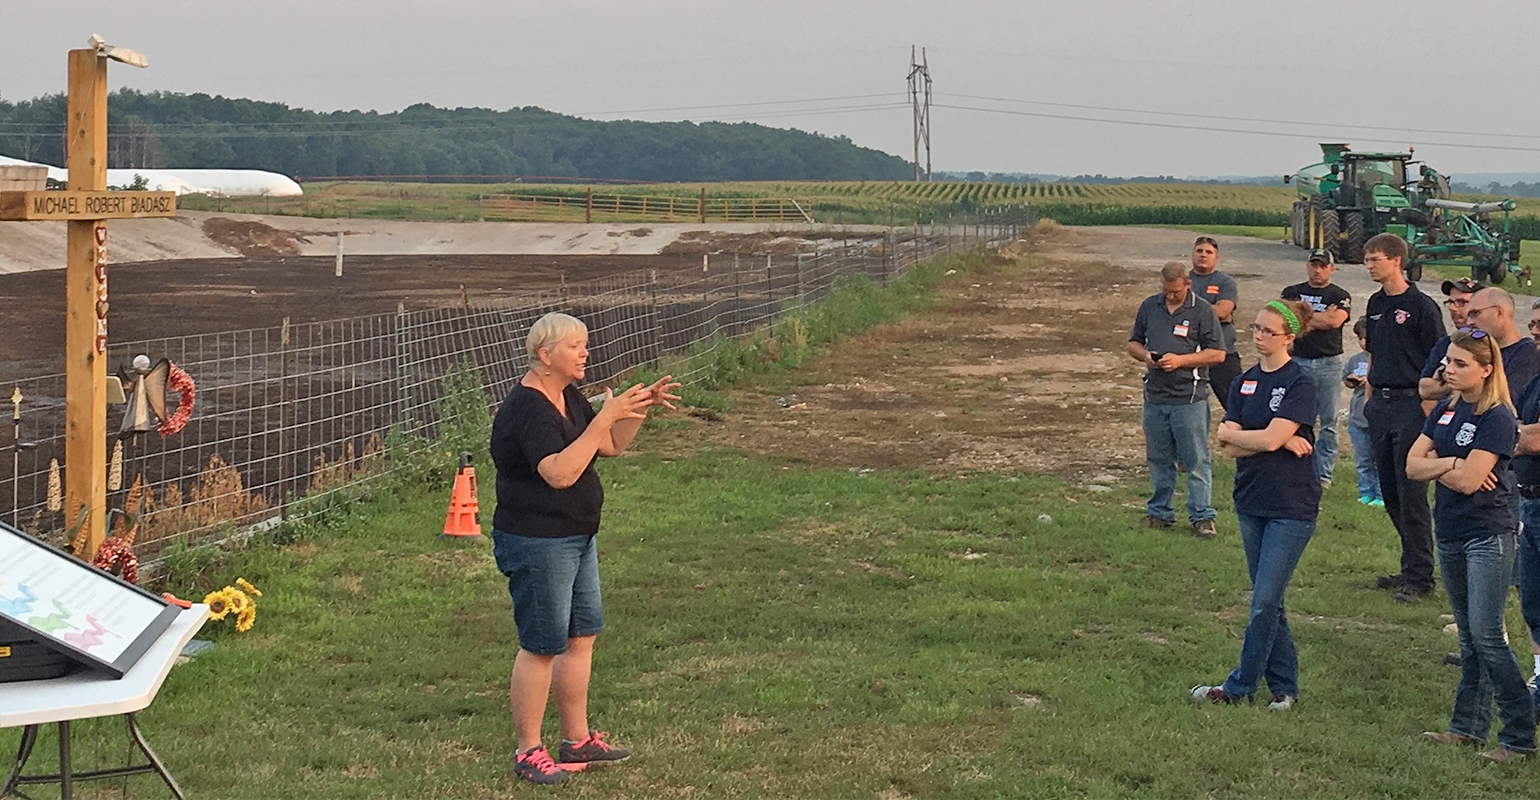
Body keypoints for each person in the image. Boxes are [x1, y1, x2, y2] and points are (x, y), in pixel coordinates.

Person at [490, 312, 681, 784]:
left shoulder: (568, 395)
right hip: (538, 541)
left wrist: (633, 411)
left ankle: (576, 740)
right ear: (545, 355)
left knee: (581, 637)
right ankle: (528, 751)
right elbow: (559, 473)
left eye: (585, 344)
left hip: (576, 536)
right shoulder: (528, 408)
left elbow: (609, 445)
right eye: (575, 346)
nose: (585, 353)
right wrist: (605, 418)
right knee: (542, 645)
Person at [1408, 330, 1536, 762]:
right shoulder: (1447, 408)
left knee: (1487, 635)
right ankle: (1467, 728)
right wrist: (1451, 462)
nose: (1448, 369)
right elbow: (1412, 465)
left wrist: (1441, 467)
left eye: (1460, 364)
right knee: (1469, 638)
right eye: (1448, 361)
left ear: (1486, 370)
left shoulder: (1497, 417)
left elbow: (1469, 482)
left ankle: (1519, 734)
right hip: (1450, 531)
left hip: (1488, 534)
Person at [1191, 299, 1321, 709]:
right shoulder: (1243, 382)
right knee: (1270, 601)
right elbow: (1227, 444)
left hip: (1291, 505)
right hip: (1251, 499)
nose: (1259, 336)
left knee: (1264, 601)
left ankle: (1238, 687)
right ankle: (1285, 687)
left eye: (1268, 331)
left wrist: (1265, 438)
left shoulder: (1300, 383)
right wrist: (1272, 439)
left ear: (1289, 338)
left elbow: (1261, 438)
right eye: (1257, 328)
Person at [1363, 233, 1447, 603]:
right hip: (1380, 405)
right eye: (1367, 260)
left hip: (1411, 403)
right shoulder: (1375, 303)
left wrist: (1430, 405)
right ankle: (1411, 562)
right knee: (1390, 492)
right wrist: (1368, 399)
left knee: (1411, 492)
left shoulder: (1421, 306)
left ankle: (1420, 576)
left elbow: (1440, 358)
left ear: (1396, 260)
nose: (1369, 266)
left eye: (1376, 259)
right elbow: (1374, 354)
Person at [1127, 261, 1226, 538]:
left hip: (1189, 398)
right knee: (1159, 458)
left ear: (1188, 284)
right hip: (1155, 396)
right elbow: (1133, 342)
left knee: (1196, 460)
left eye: (1175, 291)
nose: (1170, 296)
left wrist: (1182, 361)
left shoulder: (1202, 310)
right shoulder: (1150, 306)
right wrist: (1146, 356)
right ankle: (1159, 512)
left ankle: (1202, 516)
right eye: (1166, 291)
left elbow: (1218, 353)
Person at [1281, 249, 1352, 487]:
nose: (1317, 270)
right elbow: (1285, 320)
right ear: (1307, 266)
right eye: (1314, 265)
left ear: (1332, 268)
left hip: (1328, 363)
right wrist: (1318, 318)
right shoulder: (1291, 292)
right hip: (1296, 361)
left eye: (1323, 266)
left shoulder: (1339, 295)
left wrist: (1302, 318)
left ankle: (1323, 474)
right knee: (1293, 417)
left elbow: (1334, 321)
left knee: (1328, 420)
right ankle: (1295, 467)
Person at [1188, 236, 1242, 413]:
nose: (1203, 255)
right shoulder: (1183, 281)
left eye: (1209, 252)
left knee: (1237, 404)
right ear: (1192, 255)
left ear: (1216, 258)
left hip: (1222, 350)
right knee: (1189, 405)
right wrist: (1211, 311)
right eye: (1199, 251)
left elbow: (1223, 311)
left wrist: (1189, 310)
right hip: (1189, 353)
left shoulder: (1225, 282)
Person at [1417, 277, 1482, 407]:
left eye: (1461, 302)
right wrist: (1466, 381)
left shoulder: (1488, 344)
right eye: (1451, 302)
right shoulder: (1445, 344)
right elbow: (1425, 389)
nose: (1452, 308)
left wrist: (1445, 380)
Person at [1343, 317, 1383, 507]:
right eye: (1360, 338)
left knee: (1379, 460)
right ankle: (1366, 493)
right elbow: (1345, 379)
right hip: (1357, 419)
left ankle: (1381, 495)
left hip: (1377, 420)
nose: (1364, 342)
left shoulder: (1384, 359)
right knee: (1363, 460)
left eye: (1368, 338)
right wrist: (1352, 380)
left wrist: (1371, 381)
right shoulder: (1355, 359)